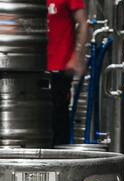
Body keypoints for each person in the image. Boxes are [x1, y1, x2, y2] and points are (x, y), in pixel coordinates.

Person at [46, 0, 88, 145]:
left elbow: (83, 23)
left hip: (59, 65)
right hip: (35, 66)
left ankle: (58, 158)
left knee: (58, 117)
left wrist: (76, 56)